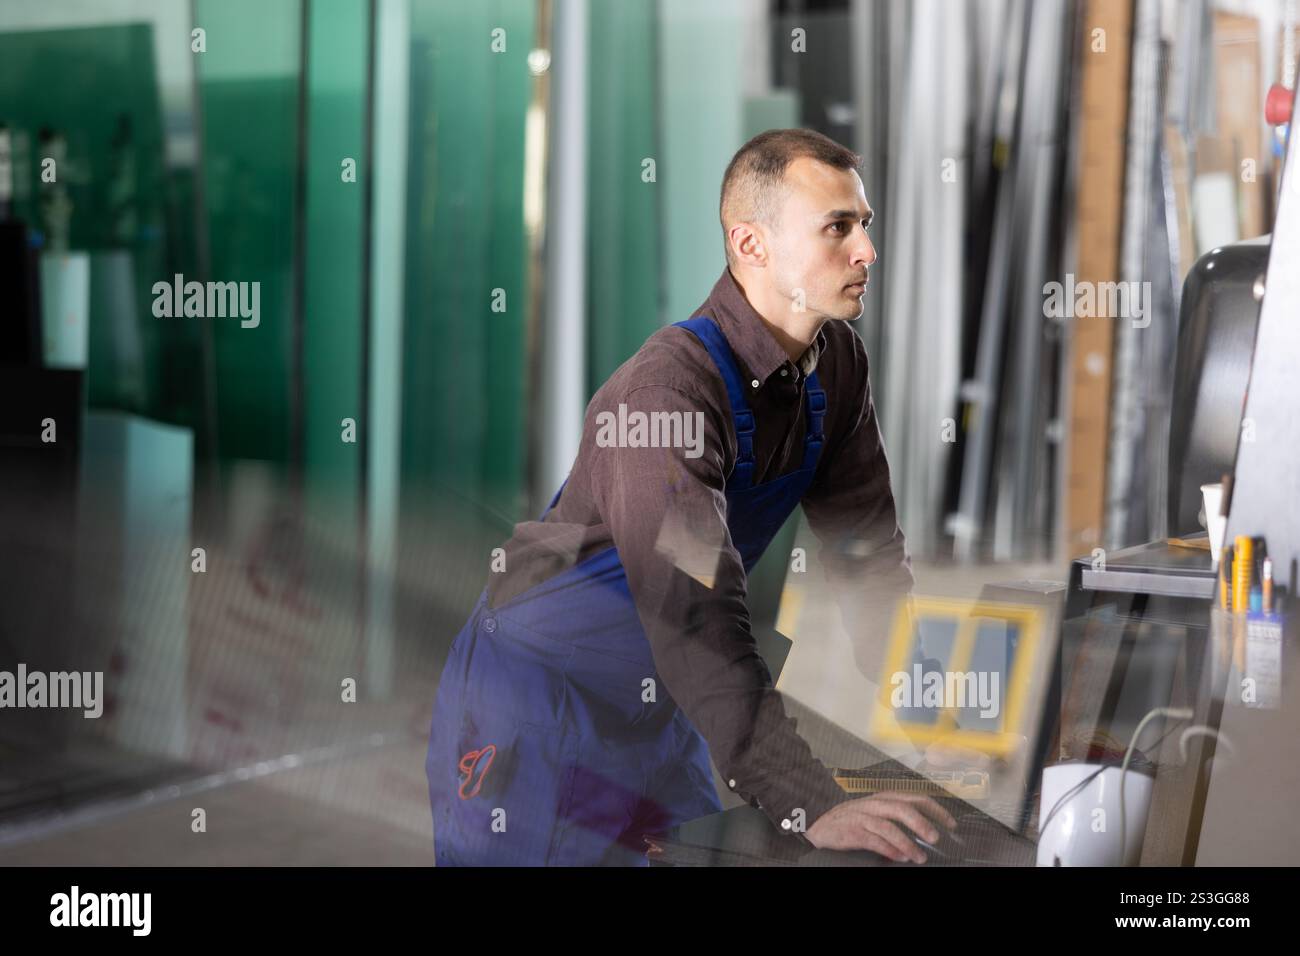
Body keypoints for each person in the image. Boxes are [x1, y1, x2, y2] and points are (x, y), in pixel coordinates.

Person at [426, 127, 956, 866]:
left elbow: (865, 549)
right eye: (838, 227)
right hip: (538, 707)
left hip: (657, 701)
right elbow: (695, 612)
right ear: (751, 244)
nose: (866, 250)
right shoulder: (666, 396)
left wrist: (934, 708)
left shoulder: (835, 366)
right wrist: (812, 797)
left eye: (863, 224)